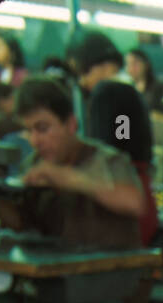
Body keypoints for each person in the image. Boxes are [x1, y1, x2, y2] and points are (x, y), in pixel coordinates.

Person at [0, 77, 145, 303]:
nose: (35, 140)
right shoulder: (34, 166)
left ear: (71, 124)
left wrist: (68, 178)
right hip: (57, 288)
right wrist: (0, 197)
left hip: (112, 292)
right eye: (28, 130)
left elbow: (135, 202)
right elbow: (24, 226)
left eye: (43, 128)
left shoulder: (107, 161)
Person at [67, 33, 157, 244]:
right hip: (140, 193)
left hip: (120, 197)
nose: (83, 81)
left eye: (84, 71)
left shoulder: (108, 91)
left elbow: (111, 148)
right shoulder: (129, 91)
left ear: (103, 65)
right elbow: (121, 138)